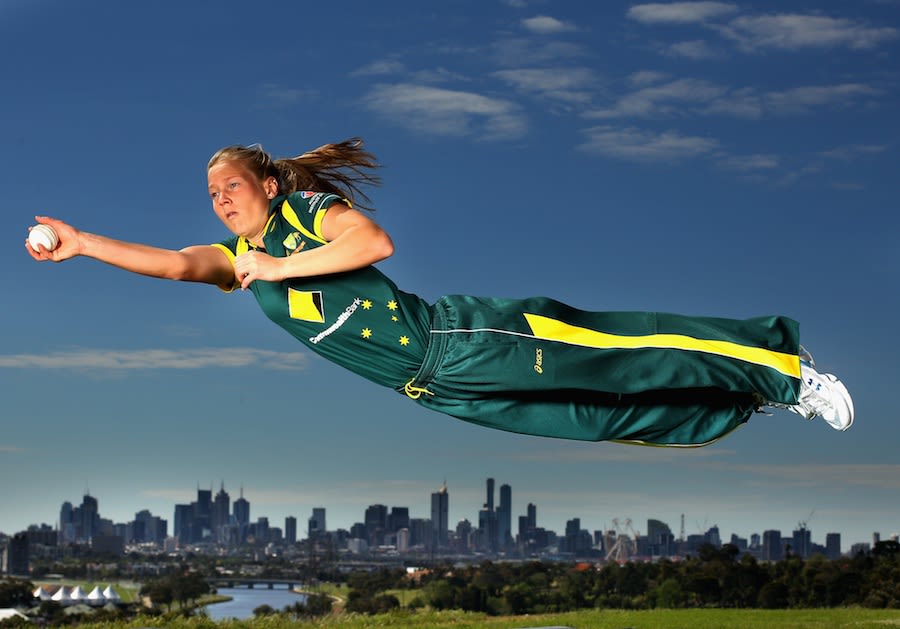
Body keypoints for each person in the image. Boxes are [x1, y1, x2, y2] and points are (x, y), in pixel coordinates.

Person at [25, 138, 854, 447]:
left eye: (231, 187)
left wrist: (278, 268)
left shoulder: (306, 215)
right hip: (435, 389)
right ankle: (745, 400)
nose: (220, 201)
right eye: (211, 195)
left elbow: (373, 244)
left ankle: (783, 366)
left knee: (622, 354)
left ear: (268, 185)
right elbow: (176, 264)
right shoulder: (236, 258)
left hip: (460, 339)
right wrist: (83, 243)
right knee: (604, 418)